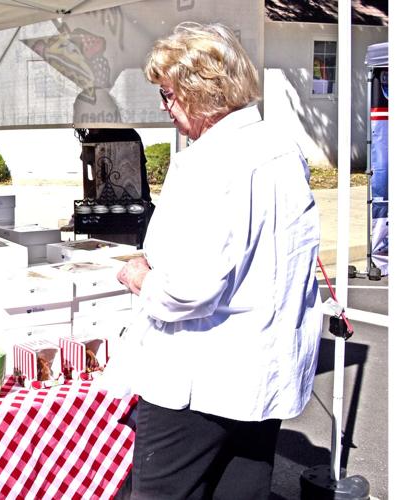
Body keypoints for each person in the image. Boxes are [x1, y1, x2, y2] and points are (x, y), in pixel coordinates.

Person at [112, 22, 323, 499]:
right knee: (241, 491)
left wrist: (140, 276)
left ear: (197, 91)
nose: (165, 107)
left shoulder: (212, 162)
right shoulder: (279, 147)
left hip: (198, 380)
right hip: (258, 372)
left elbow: (188, 291)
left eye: (167, 94)